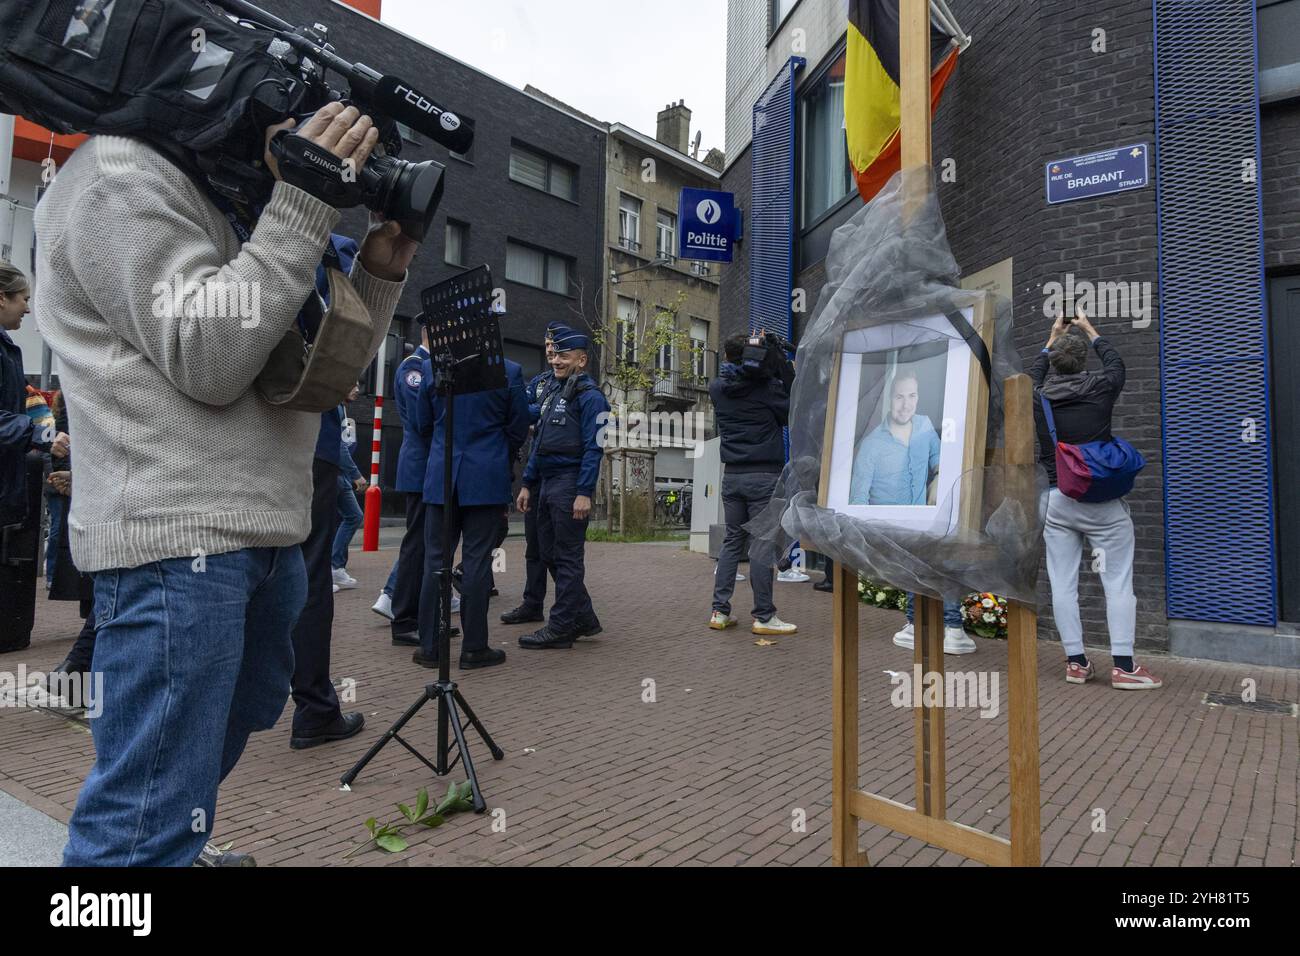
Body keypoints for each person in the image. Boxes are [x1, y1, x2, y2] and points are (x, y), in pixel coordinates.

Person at [35, 102, 414, 866]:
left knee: (188, 770)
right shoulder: (119, 172)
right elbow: (208, 357)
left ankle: (173, 845)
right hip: (176, 538)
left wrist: (378, 271)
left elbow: (319, 377)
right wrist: (302, 199)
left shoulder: (221, 191)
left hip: (261, 530)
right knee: (138, 817)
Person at [1032, 309, 1161, 690]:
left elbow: (1033, 374)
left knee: (1062, 583)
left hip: (1058, 501)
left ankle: (1076, 663)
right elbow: (1116, 362)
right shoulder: (1104, 387)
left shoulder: (1039, 399)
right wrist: (1088, 328)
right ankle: (1124, 667)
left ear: (1055, 360)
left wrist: (1051, 336)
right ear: (1083, 360)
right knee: (1118, 581)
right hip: (1102, 504)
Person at [288, 244, 372, 751]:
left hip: (249, 439)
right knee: (310, 575)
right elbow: (341, 327)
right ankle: (314, 709)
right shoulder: (326, 254)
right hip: (304, 442)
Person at [414, 345, 529, 669]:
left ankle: (429, 647)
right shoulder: (510, 370)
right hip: (486, 475)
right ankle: (474, 647)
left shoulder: (429, 369)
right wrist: (495, 451)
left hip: (442, 474)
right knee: (477, 562)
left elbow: (423, 424)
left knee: (435, 561)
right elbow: (519, 426)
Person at [849, 367, 972, 654]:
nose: (906, 404)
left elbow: (939, 459)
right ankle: (922, 625)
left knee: (943, 560)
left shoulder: (925, 425)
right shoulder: (871, 446)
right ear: (888, 400)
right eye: (899, 397)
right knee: (924, 564)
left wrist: (937, 480)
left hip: (925, 518)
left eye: (912, 395)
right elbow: (858, 500)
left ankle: (947, 628)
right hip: (892, 527)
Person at [516, 325, 609, 649]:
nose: (555, 360)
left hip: (570, 484)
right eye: (554, 355)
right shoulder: (554, 391)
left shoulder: (593, 399)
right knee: (548, 553)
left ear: (581, 360)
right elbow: (539, 442)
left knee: (567, 558)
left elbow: (594, 449)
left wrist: (584, 492)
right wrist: (528, 483)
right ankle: (583, 618)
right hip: (547, 482)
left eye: (563, 356)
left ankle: (561, 628)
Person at [707, 332, 797, 636]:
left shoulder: (717, 388)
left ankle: (719, 611)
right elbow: (790, 411)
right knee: (761, 545)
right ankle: (764, 616)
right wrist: (776, 362)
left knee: (732, 541)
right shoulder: (765, 389)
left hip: (731, 476)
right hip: (763, 476)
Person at [1, 263, 67, 653]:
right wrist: (41, 434)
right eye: (23, 298)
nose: (28, 308)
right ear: (3, 297)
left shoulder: (9, 349)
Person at [500, 324, 559, 625]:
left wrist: (532, 415)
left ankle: (573, 609)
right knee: (534, 546)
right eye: (547, 343)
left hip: (561, 479)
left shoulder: (573, 383)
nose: (550, 349)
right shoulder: (540, 380)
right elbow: (522, 407)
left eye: (556, 344)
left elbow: (536, 413)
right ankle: (532, 603)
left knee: (556, 551)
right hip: (535, 474)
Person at [330, 384, 367, 591]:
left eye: (359, 386)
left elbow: (347, 443)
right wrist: (357, 475)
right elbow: (339, 445)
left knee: (353, 516)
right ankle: (326, 570)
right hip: (333, 473)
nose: (357, 389)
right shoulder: (334, 407)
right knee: (327, 522)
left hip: (340, 475)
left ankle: (335, 566)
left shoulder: (343, 410)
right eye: (352, 385)